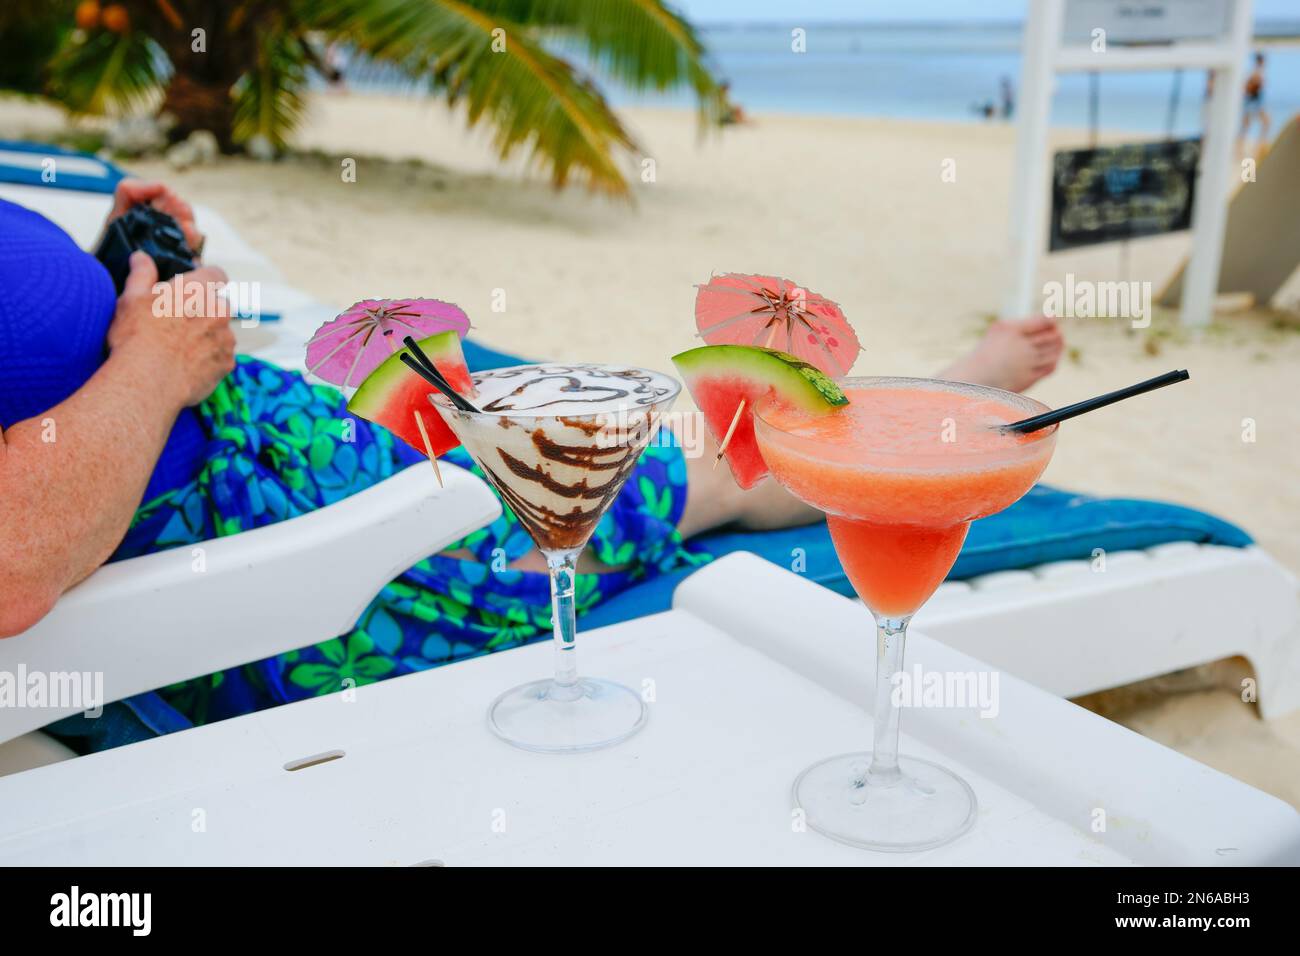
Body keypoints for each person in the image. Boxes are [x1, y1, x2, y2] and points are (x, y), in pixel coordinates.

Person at [0, 181, 1063, 749]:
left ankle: (902, 395)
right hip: (280, 544)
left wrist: (112, 270)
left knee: (578, 414)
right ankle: (932, 402)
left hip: (265, 432)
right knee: (690, 471)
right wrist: (151, 361)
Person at [1240, 52, 1270, 147]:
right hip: (1253, 102)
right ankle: (1258, 144)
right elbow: (1246, 88)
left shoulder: (1258, 72)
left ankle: (1259, 143)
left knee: (1248, 126)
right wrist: (1256, 86)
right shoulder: (1255, 72)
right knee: (1249, 125)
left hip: (1255, 102)